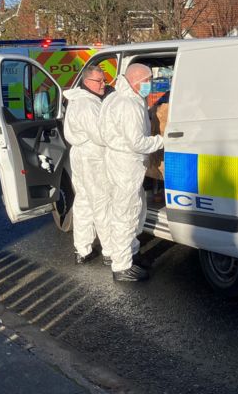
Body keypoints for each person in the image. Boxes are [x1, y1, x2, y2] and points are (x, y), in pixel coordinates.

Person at [99, 63, 164, 282]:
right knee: (125, 213)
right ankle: (122, 266)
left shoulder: (115, 98)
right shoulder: (128, 104)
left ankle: (131, 254)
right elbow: (137, 142)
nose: (149, 85)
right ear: (136, 81)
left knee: (133, 209)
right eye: (147, 81)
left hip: (120, 160)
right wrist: (162, 140)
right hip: (126, 162)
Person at [62, 64, 112, 266]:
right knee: (102, 203)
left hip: (81, 155)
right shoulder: (88, 105)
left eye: (104, 81)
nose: (103, 85)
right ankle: (111, 251)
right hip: (92, 157)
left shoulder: (79, 101)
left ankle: (82, 249)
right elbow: (101, 136)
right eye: (98, 81)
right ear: (86, 82)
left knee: (83, 202)